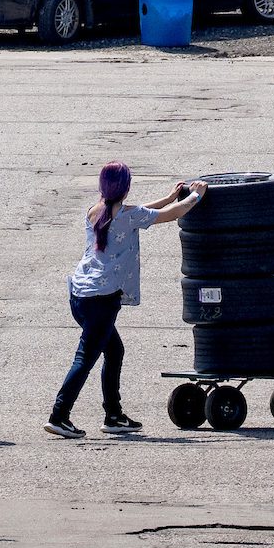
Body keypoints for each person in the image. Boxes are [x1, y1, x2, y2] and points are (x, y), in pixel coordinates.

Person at [46, 165, 207, 439]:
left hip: (80, 295)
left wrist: (169, 197)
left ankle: (114, 415)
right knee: (85, 358)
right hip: (102, 300)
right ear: (126, 187)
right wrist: (195, 197)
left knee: (114, 351)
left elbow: (141, 210)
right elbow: (171, 216)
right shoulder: (128, 216)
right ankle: (59, 416)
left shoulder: (95, 210)